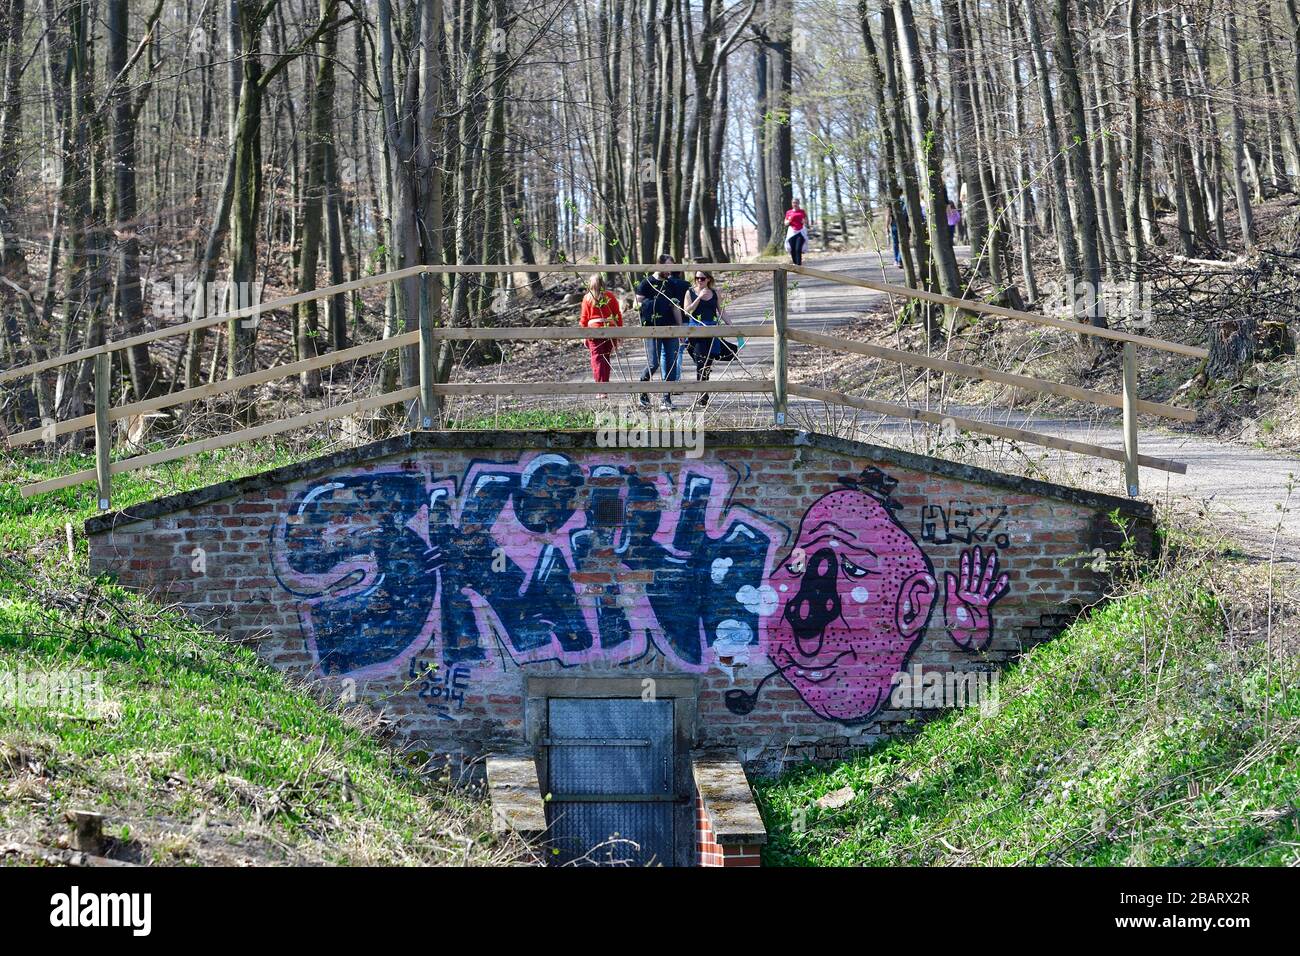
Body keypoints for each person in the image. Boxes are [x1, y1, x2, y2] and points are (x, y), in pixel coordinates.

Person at [634, 254, 690, 410]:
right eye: (667, 267)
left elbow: (675, 307)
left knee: (671, 362)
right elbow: (636, 305)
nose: (670, 271)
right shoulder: (646, 283)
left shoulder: (671, 284)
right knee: (654, 363)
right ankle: (643, 392)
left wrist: (680, 330)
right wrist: (649, 306)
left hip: (670, 327)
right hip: (652, 328)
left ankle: (667, 399)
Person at [683, 271, 733, 409]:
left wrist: (732, 325)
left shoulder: (715, 293)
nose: (699, 280)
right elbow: (687, 311)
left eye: (702, 278)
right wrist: (698, 298)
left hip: (711, 331)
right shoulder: (690, 292)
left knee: (706, 364)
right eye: (697, 278)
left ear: (708, 279)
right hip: (696, 331)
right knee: (700, 363)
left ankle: (703, 395)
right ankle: (702, 392)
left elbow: (721, 311)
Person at [580, 274, 622, 386]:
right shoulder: (610, 296)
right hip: (610, 330)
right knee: (605, 357)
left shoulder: (587, 298)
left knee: (597, 359)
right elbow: (617, 315)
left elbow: (584, 319)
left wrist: (584, 334)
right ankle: (605, 386)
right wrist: (620, 332)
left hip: (594, 332)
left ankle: (601, 387)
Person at [784, 199, 809, 265]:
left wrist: (804, 221)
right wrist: (789, 221)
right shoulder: (788, 212)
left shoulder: (802, 211)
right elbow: (785, 223)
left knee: (798, 249)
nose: (795, 204)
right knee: (792, 249)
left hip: (800, 231)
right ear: (792, 204)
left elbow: (806, 221)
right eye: (793, 203)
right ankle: (795, 264)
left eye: (796, 203)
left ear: (798, 203)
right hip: (792, 231)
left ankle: (799, 265)